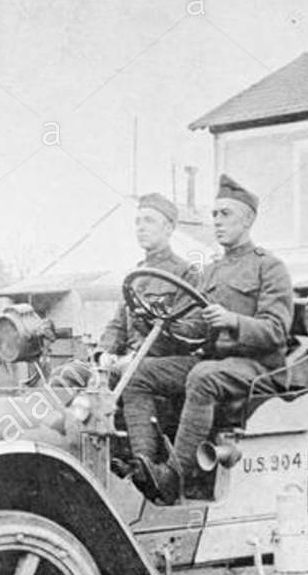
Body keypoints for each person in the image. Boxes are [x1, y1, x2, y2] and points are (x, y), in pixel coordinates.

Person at [124, 174, 293, 504]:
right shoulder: (212, 271)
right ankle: (145, 465)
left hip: (259, 368)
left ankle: (175, 476)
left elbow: (276, 331)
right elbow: (194, 327)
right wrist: (163, 322)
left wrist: (233, 321)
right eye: (214, 214)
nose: (216, 221)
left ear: (248, 219)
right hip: (215, 362)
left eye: (225, 214)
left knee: (202, 377)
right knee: (138, 373)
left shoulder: (270, 267)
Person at [97, 192, 195, 371]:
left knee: (132, 375)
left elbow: (187, 334)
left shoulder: (185, 274)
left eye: (149, 221)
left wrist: (134, 357)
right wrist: (105, 352)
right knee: (69, 374)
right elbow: (118, 324)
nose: (141, 228)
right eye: (138, 222)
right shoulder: (134, 276)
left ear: (168, 228)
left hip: (159, 363)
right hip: (125, 360)